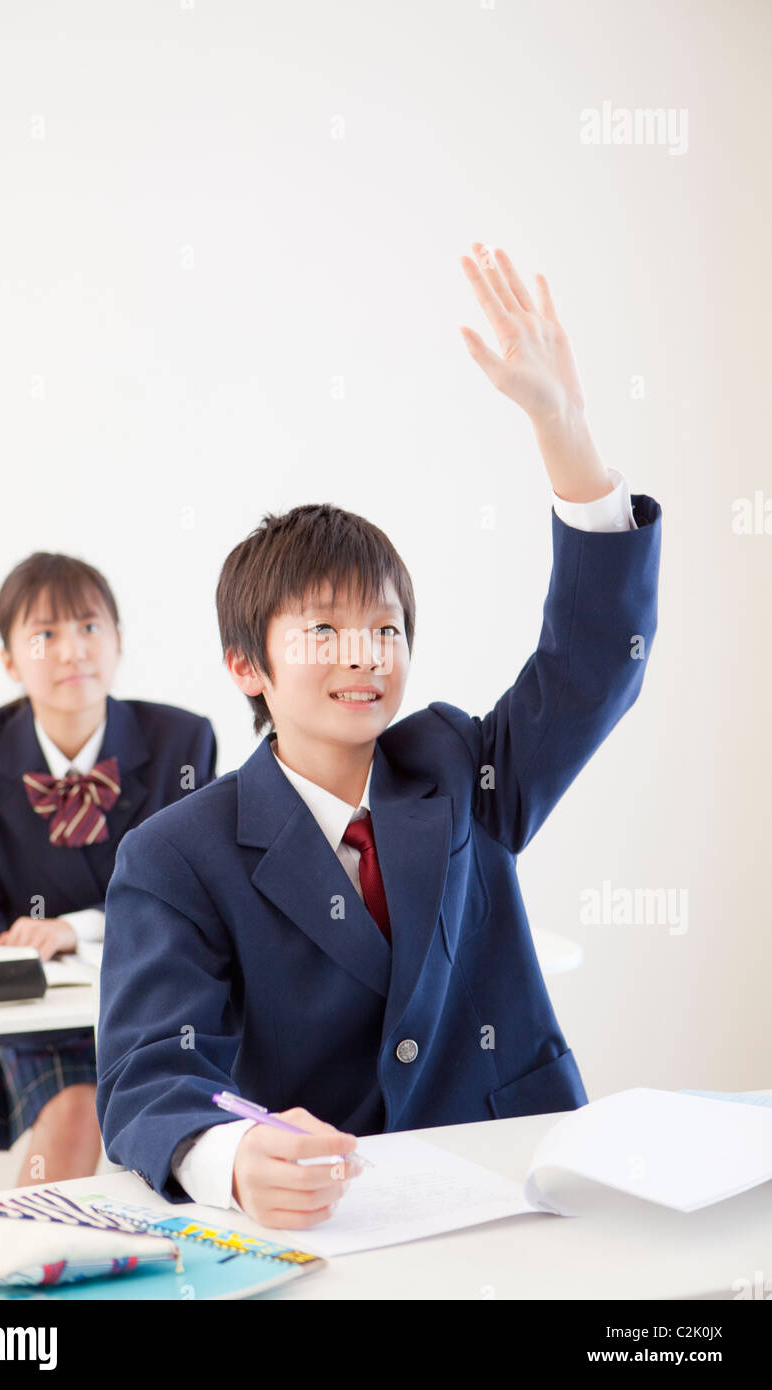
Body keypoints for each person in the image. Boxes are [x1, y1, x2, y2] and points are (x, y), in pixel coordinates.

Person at [96, 243, 662, 1230]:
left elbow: (588, 661)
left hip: (521, 1191)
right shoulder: (172, 856)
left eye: (384, 628)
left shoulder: (456, 768)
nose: (363, 654)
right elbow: (151, 1079)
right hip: (332, 1222)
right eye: (322, 629)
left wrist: (559, 426)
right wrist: (231, 1156)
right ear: (246, 666)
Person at [0, 552, 217, 1185]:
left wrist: (75, 928)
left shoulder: (182, 742)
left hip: (147, 1001)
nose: (72, 651)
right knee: (80, 1106)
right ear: (9, 660)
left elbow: (191, 893)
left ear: (118, 641)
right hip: (24, 1019)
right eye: (44, 634)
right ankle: (27, 1270)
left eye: (88, 627)